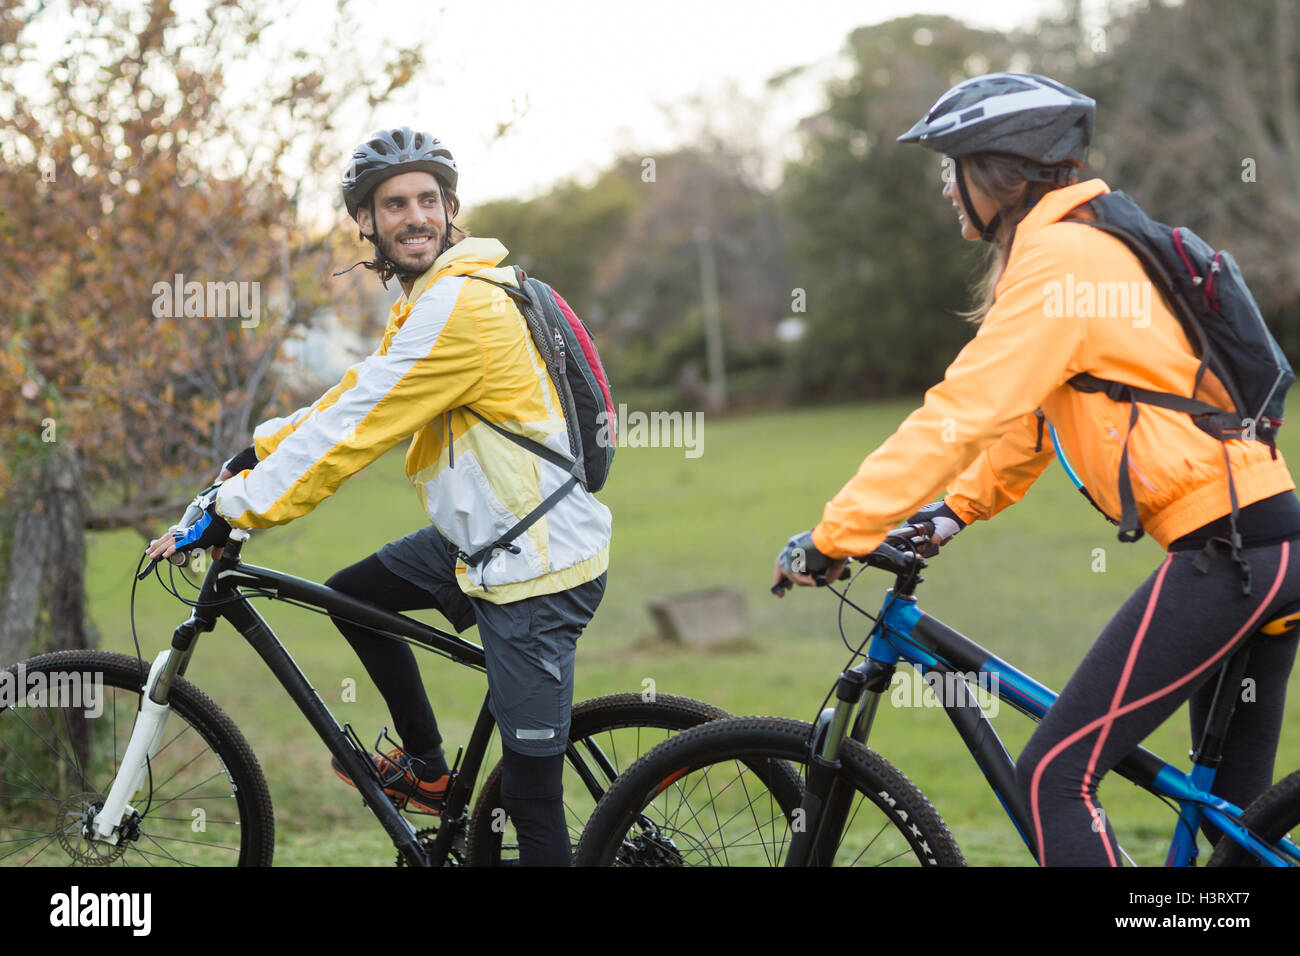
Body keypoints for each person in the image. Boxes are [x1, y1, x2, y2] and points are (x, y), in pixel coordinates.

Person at [771, 74, 1300, 866]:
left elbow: (963, 410)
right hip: (1262, 542)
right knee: (1236, 833)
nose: (946, 191)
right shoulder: (1092, 242)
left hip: (1227, 555)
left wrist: (838, 533)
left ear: (998, 171)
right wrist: (953, 511)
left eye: (951, 170)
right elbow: (1030, 422)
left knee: (1056, 775)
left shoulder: (1061, 258)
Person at [148, 126, 611, 866]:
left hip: (536, 569)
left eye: (429, 199)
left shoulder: (461, 306)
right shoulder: (434, 300)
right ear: (366, 222)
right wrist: (256, 450)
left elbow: (353, 434)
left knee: (531, 807)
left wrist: (231, 510)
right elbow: (360, 394)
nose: (415, 216)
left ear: (451, 208)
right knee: (353, 596)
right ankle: (428, 772)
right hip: (488, 537)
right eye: (395, 204)